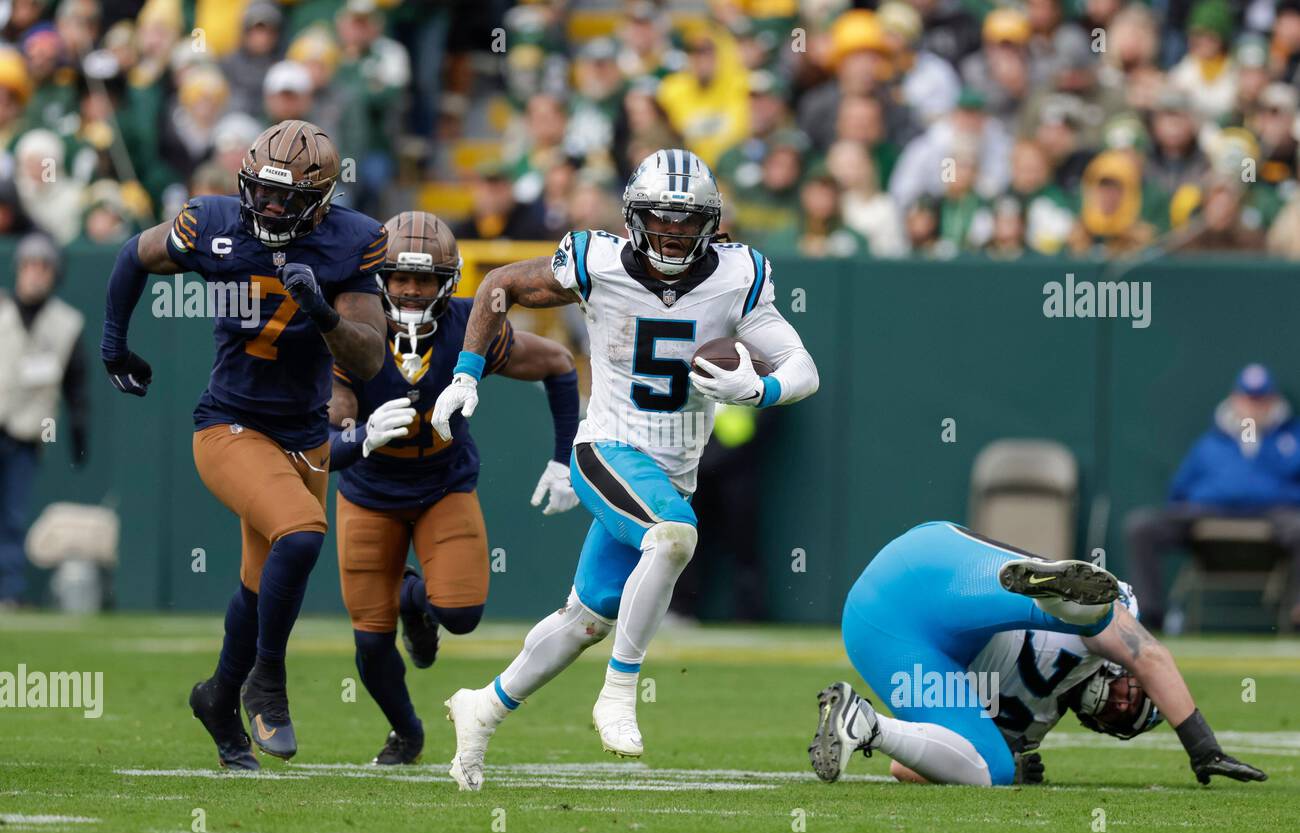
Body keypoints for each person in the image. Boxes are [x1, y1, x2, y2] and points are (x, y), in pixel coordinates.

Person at [432, 148, 820, 791]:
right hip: (608, 446)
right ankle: (618, 693)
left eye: (686, 221)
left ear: (712, 225)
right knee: (674, 537)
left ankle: (484, 706)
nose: (671, 233)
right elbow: (497, 284)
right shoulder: (597, 260)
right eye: (659, 219)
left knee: (587, 618)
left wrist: (761, 392)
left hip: (674, 467)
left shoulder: (738, 275)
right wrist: (467, 374)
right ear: (633, 218)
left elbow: (803, 366)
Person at [100, 120, 388, 770]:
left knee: (261, 586)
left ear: (321, 202)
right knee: (304, 533)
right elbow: (133, 256)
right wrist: (114, 343)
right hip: (228, 421)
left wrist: (327, 315)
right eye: (263, 192)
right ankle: (268, 680)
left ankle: (218, 698)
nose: (273, 208)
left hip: (305, 433)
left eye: (288, 200)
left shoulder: (355, 242)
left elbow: (368, 360)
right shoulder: (211, 222)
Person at [327, 211, 580, 764]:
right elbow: (325, 437)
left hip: (443, 486)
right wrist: (359, 439)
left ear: (449, 282)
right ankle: (407, 732)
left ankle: (410, 598)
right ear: (379, 277)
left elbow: (559, 363)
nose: (412, 290)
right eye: (400, 278)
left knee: (462, 612)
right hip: (369, 491)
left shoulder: (472, 327)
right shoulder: (352, 329)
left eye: (425, 279)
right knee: (370, 641)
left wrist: (563, 460)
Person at [809, 521, 1268, 787]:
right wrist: (1202, 746)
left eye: (1123, 720)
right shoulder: (1106, 643)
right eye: (1135, 696)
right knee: (1097, 617)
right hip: (940, 572)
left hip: (882, 631)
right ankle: (1048, 595)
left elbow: (904, 768)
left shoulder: (1030, 727)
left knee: (994, 769)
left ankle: (862, 723)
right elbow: (1150, 654)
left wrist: (1016, 760)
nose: (1121, 706)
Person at [1125, 364, 1300, 630]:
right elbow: (1179, 490)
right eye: (1247, 398)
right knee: (1142, 526)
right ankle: (1149, 616)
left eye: (1260, 399)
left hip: (1276, 515)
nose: (1253, 407)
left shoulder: (1292, 439)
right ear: (1234, 399)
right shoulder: (1210, 442)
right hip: (1207, 512)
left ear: (1273, 401)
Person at [0, 232, 88, 607]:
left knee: (13, 515)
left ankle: (9, 591)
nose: (35, 274)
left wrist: (79, 434)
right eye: (29, 266)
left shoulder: (66, 323)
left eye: (43, 267)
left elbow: (76, 388)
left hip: (25, 432)